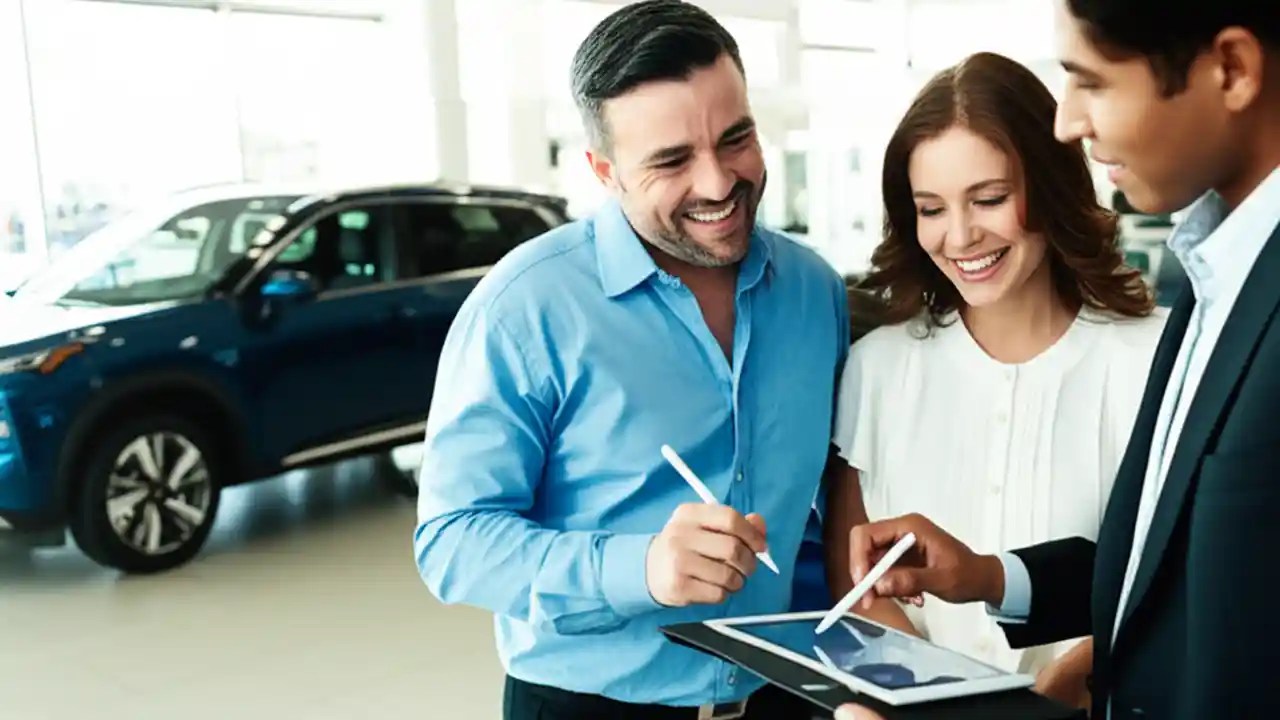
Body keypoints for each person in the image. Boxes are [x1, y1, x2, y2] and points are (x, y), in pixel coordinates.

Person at [838, 0, 1280, 718]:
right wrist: (986, 577)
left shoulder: (1167, 329)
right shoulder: (1207, 295)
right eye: (931, 207)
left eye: (1091, 82)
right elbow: (1146, 571)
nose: (1069, 118)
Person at [411, 2, 850, 718]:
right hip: (588, 704)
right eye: (673, 161)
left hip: (787, 695)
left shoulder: (813, 291)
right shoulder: (525, 307)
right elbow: (452, 542)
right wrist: (638, 567)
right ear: (604, 170)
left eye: (736, 139)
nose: (717, 184)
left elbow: (814, 514)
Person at [823, 50, 1165, 711]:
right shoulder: (879, 367)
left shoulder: (1155, 358)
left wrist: (1054, 695)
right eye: (930, 207)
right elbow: (857, 584)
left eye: (989, 198)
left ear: (1052, 185)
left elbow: (1168, 583)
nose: (959, 236)